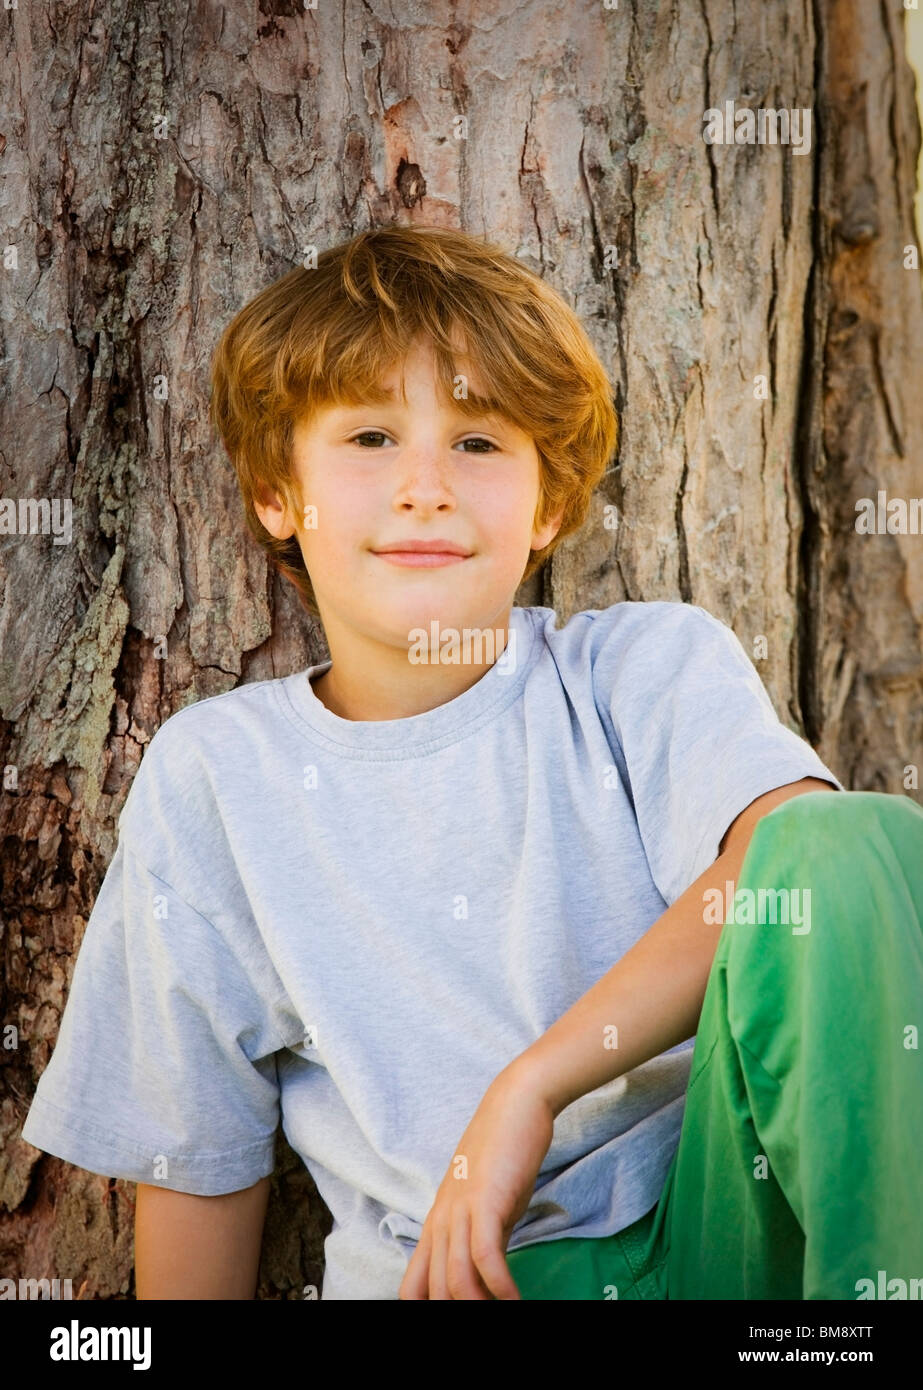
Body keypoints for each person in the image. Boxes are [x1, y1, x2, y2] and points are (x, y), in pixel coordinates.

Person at [23, 223, 892, 1302]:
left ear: (549, 504)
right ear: (276, 494)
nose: (425, 485)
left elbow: (792, 874)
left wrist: (529, 1087)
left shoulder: (637, 669)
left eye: (479, 443)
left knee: (854, 834)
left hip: (723, 1227)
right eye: (370, 437)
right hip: (472, 1281)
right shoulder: (218, 776)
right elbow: (193, 1156)